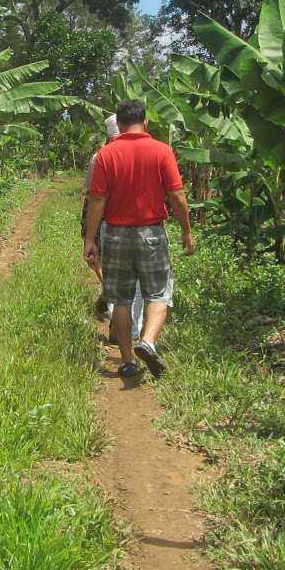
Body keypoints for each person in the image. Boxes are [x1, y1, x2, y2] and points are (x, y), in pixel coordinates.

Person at [83, 99, 195, 379]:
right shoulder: (162, 151)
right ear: (145, 123)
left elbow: (97, 199)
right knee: (159, 293)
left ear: (118, 126)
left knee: (120, 299)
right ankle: (148, 341)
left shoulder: (106, 154)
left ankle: (127, 361)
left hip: (116, 234)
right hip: (152, 234)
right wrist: (186, 230)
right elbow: (177, 196)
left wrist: (90, 239)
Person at [83, 114, 144, 336]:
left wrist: (90, 236)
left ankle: (116, 318)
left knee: (108, 268)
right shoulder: (149, 152)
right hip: (143, 224)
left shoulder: (101, 156)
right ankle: (132, 328)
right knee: (135, 277)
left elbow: (94, 196)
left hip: (109, 221)